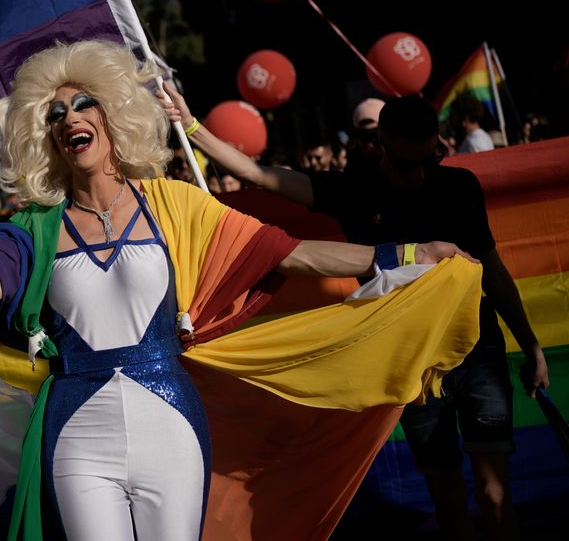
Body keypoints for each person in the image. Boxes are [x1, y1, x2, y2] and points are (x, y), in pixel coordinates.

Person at [0, 40, 474, 540]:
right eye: (55, 114)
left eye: (83, 104)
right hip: (75, 435)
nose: (69, 118)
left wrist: (411, 254)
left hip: (171, 425)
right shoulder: (28, 231)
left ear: (112, 115)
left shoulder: (175, 206)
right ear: (46, 137)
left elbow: (294, 253)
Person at [190, 94, 548, 541]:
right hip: (409, 365)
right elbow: (257, 174)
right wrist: (190, 124)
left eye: (430, 160)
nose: (421, 174)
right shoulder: (355, 190)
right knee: (447, 497)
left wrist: (531, 345)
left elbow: (493, 271)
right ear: (382, 145)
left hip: (478, 355)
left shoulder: (459, 186)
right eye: (408, 165)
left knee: (495, 494)